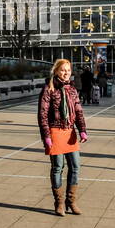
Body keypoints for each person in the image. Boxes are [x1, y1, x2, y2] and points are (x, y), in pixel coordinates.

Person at [38, 57, 88, 217]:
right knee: (58, 167)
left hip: (69, 131)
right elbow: (42, 114)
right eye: (63, 70)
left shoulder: (72, 89)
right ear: (56, 71)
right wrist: (46, 135)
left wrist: (82, 129)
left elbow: (79, 111)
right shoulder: (48, 88)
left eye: (68, 70)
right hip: (55, 131)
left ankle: (71, 201)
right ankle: (59, 203)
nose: (66, 73)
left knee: (75, 166)